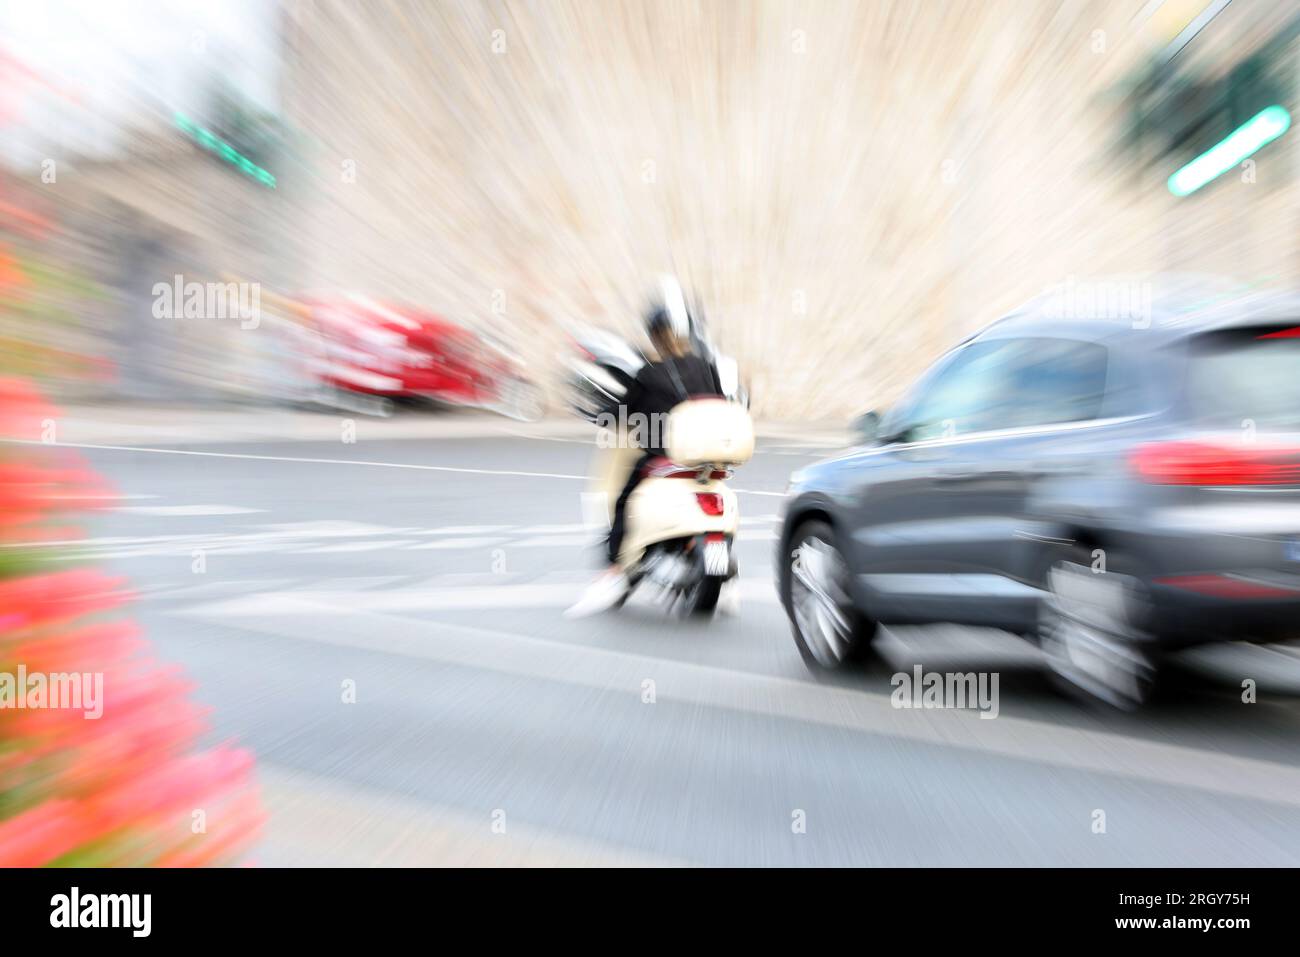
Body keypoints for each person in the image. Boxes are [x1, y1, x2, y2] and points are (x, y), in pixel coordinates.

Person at [564, 303, 723, 618]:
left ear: (656, 337)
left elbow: (624, 410)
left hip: (667, 458)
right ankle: (721, 578)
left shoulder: (650, 374)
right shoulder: (708, 367)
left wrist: (600, 415)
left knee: (624, 500)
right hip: (710, 460)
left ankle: (612, 572)